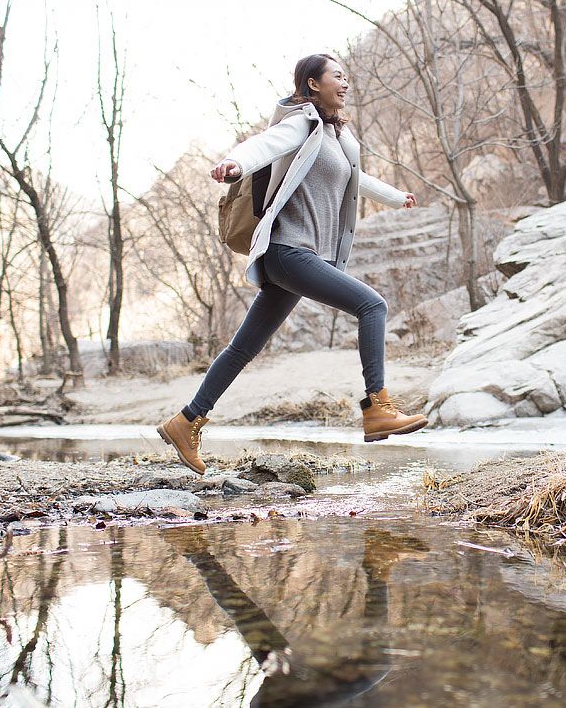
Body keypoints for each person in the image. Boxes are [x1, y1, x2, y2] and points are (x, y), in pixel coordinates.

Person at [158, 54, 428, 474]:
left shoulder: (338, 138)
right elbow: (265, 144)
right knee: (372, 305)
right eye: (337, 76)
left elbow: (355, 179)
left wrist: (396, 198)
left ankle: (186, 420)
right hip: (288, 250)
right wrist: (235, 164)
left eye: (346, 76)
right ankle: (377, 407)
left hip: (302, 255)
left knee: (244, 348)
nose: (345, 82)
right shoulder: (302, 123)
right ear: (313, 84)